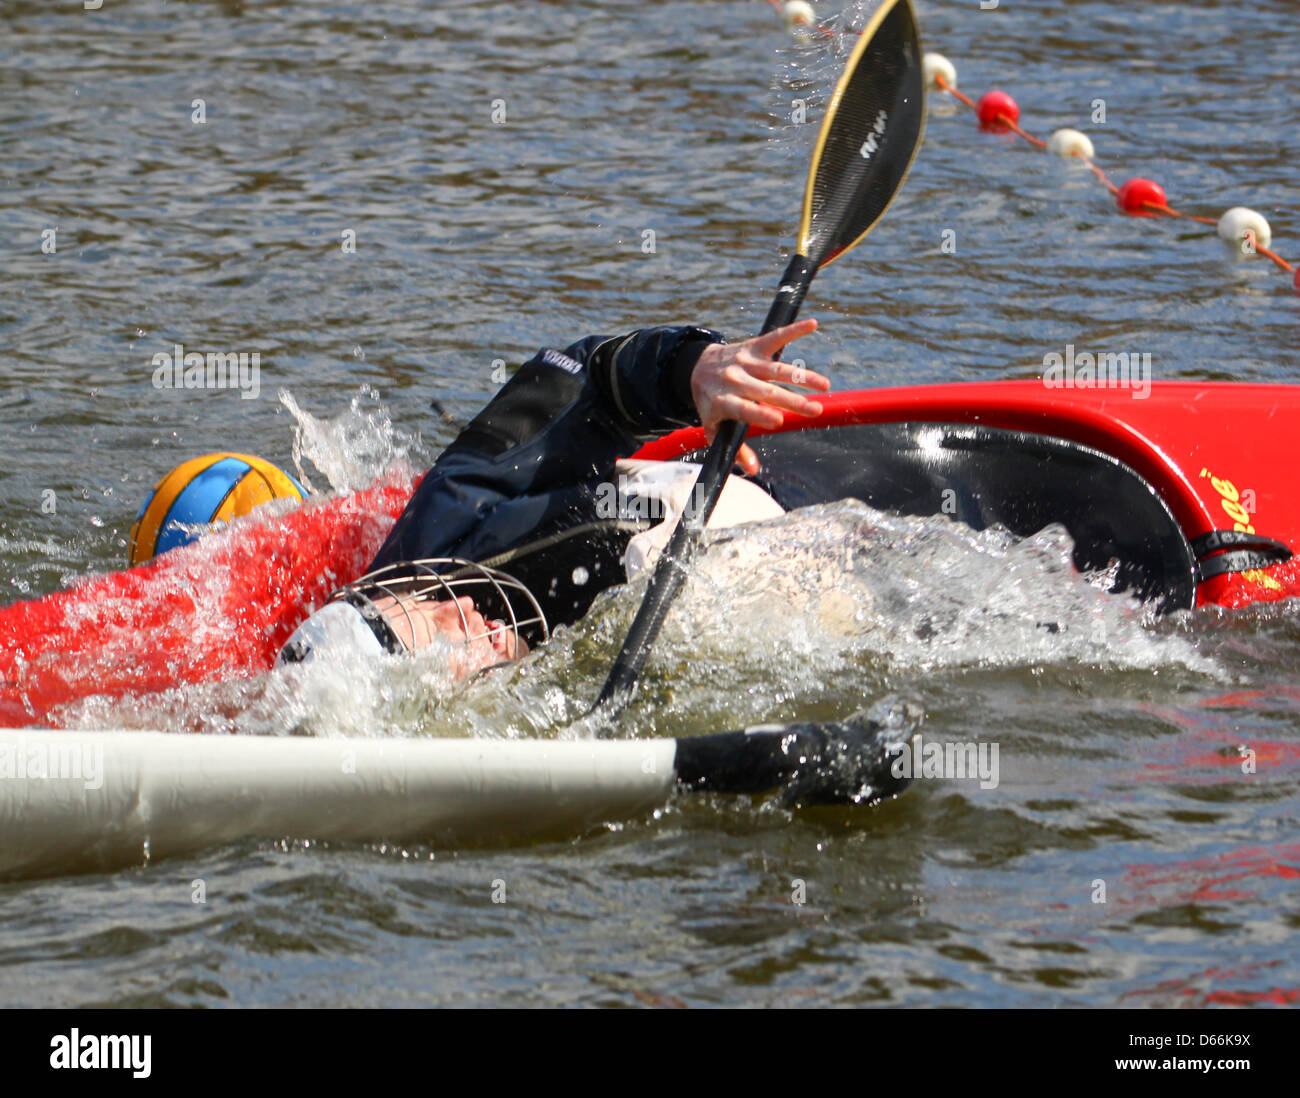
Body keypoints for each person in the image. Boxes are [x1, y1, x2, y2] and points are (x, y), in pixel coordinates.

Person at [276, 318, 831, 675]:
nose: (464, 612)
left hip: (777, 489)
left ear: (394, 599)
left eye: (432, 612)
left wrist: (693, 370)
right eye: (436, 647)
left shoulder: (445, 525)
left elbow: (581, 381)